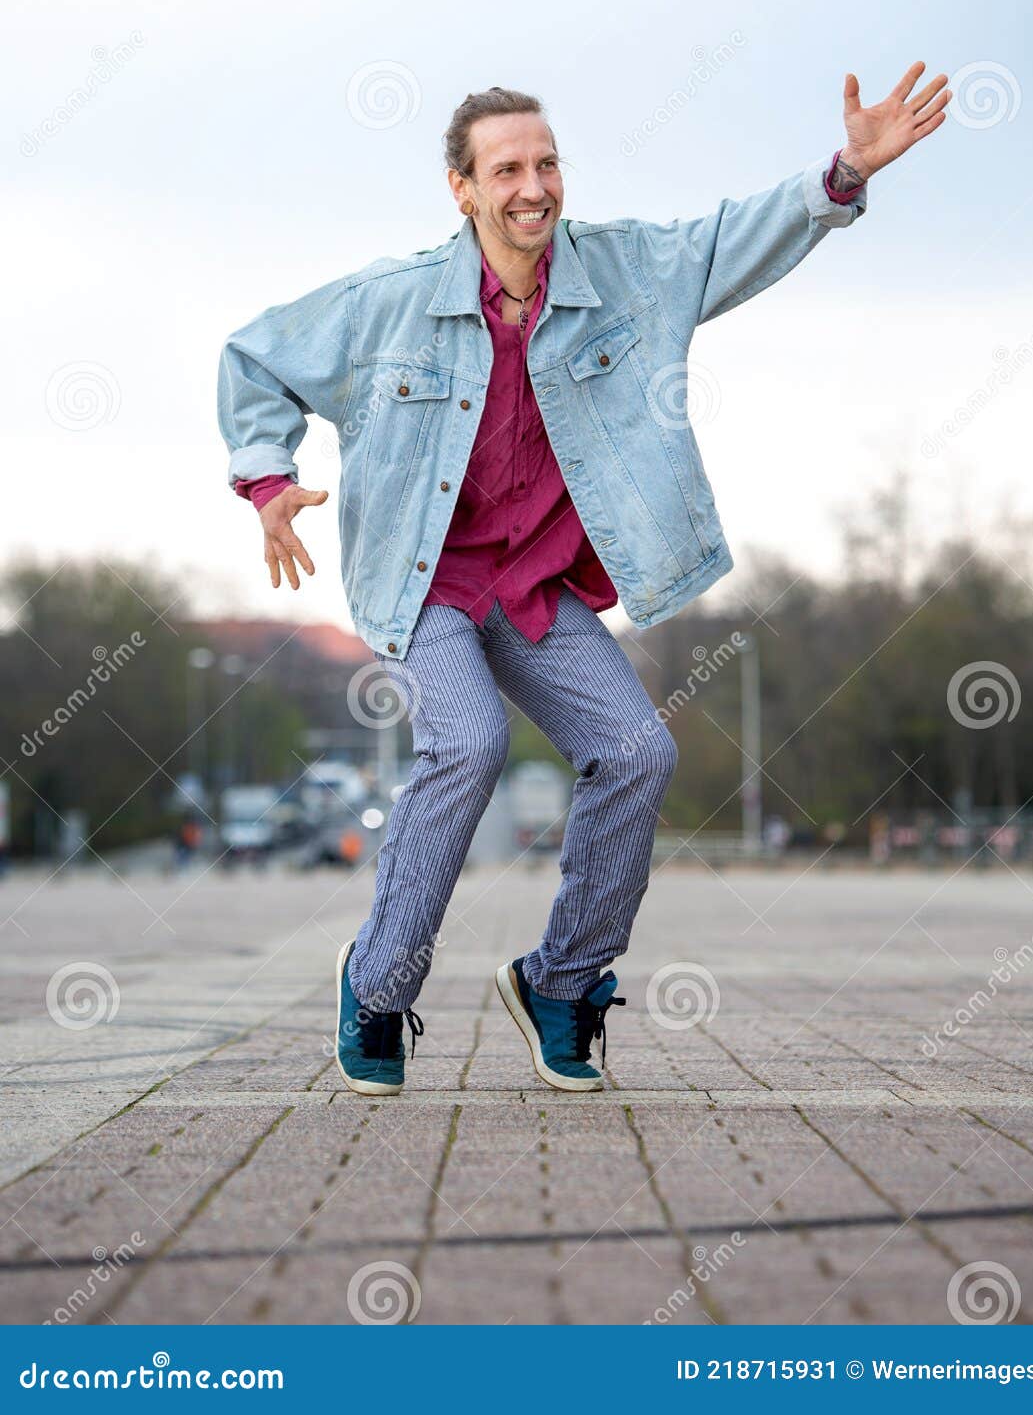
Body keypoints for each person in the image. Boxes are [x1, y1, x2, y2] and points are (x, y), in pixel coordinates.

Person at [217, 67, 950, 1096]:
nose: (532, 185)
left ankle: (560, 981)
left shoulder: (628, 271)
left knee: (636, 749)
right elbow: (255, 358)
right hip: (425, 582)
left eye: (546, 162)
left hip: (534, 589)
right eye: (505, 167)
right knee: (466, 743)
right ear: (460, 189)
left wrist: (839, 176)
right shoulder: (386, 304)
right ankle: (377, 987)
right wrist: (267, 478)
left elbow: (728, 237)